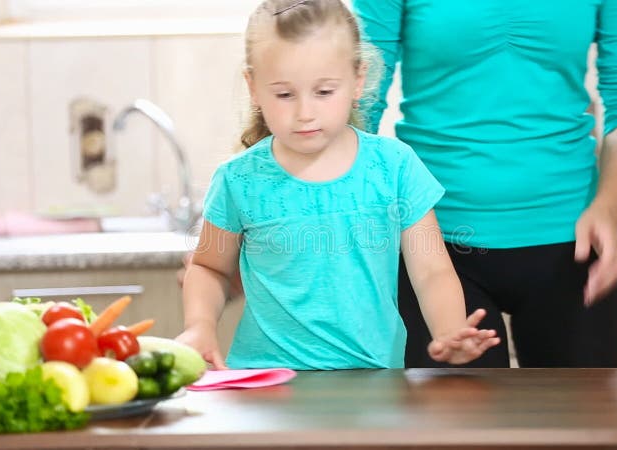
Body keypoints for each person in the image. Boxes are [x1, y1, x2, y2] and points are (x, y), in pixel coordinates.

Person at [175, 0, 500, 371]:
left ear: (357, 80)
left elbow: (431, 270)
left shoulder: (395, 167)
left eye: (324, 91)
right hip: (265, 383)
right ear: (254, 87)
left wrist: (448, 331)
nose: (305, 112)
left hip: (374, 383)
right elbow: (209, 268)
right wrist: (199, 327)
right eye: (284, 94)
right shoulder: (238, 180)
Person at [351, 0, 617, 368]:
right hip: (431, 246)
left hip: (572, 242)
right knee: (456, 426)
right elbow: (359, 99)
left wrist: (608, 207)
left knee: (589, 425)